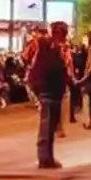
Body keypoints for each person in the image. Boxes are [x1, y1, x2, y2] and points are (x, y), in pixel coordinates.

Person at [27, 22, 70, 170]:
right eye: (64, 33)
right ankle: (44, 158)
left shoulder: (57, 47)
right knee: (47, 124)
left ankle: (48, 157)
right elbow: (31, 61)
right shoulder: (44, 44)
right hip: (47, 89)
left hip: (53, 89)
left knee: (50, 125)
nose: (65, 36)